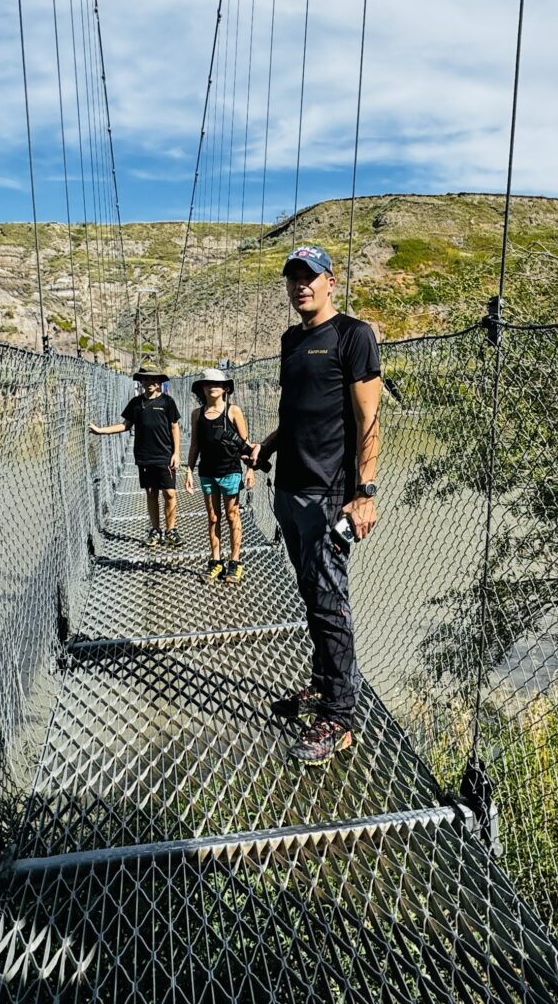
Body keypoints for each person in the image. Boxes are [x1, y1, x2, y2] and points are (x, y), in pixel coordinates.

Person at [251, 244, 381, 767]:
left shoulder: (354, 335)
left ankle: (341, 718)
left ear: (332, 281)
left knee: (330, 602)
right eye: (293, 277)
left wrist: (365, 493)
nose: (301, 284)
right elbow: (301, 414)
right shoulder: (290, 340)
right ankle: (325, 685)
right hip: (289, 490)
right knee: (311, 597)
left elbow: (368, 419)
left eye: (311, 276)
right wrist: (269, 445)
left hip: (330, 495)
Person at [88, 368, 182, 546]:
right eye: (146, 380)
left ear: (160, 382)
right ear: (141, 382)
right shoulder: (136, 403)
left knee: (170, 493)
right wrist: (101, 431)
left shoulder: (168, 402)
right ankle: (155, 530)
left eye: (154, 379)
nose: (150, 383)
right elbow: (125, 426)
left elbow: (174, 427)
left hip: (165, 455)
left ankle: (171, 530)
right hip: (144, 455)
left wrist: (176, 453)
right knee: (151, 492)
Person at [185, 367, 255, 584]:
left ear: (225, 388)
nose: (212, 387)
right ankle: (216, 561)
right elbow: (195, 444)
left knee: (232, 515)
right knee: (213, 517)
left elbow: (246, 445)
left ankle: (235, 562)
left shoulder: (233, 411)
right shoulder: (197, 414)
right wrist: (189, 470)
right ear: (202, 388)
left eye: (217, 384)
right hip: (207, 472)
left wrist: (251, 469)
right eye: (207, 383)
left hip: (230, 471)